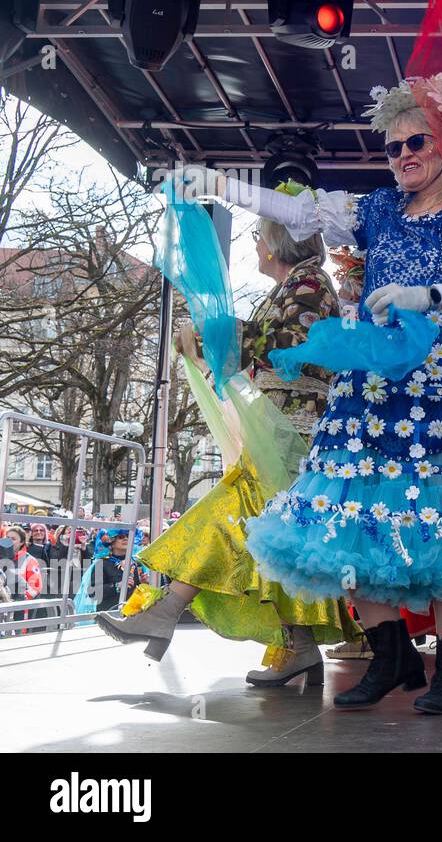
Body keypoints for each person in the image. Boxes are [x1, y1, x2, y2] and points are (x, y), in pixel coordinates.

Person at [168, 65, 442, 716]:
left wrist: (427, 296)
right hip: (371, 396)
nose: (405, 156)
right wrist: (217, 184)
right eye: (393, 147)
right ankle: (390, 657)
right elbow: (296, 207)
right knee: (351, 526)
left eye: (417, 143)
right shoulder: (376, 210)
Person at [95, 216, 360, 679]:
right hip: (282, 428)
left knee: (239, 514)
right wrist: (212, 340)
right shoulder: (299, 284)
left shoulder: (310, 282)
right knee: (271, 534)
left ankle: (166, 611)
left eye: (259, 238)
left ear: (276, 244)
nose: (256, 246)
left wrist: (219, 332)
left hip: (292, 432)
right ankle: (296, 644)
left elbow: (294, 344)